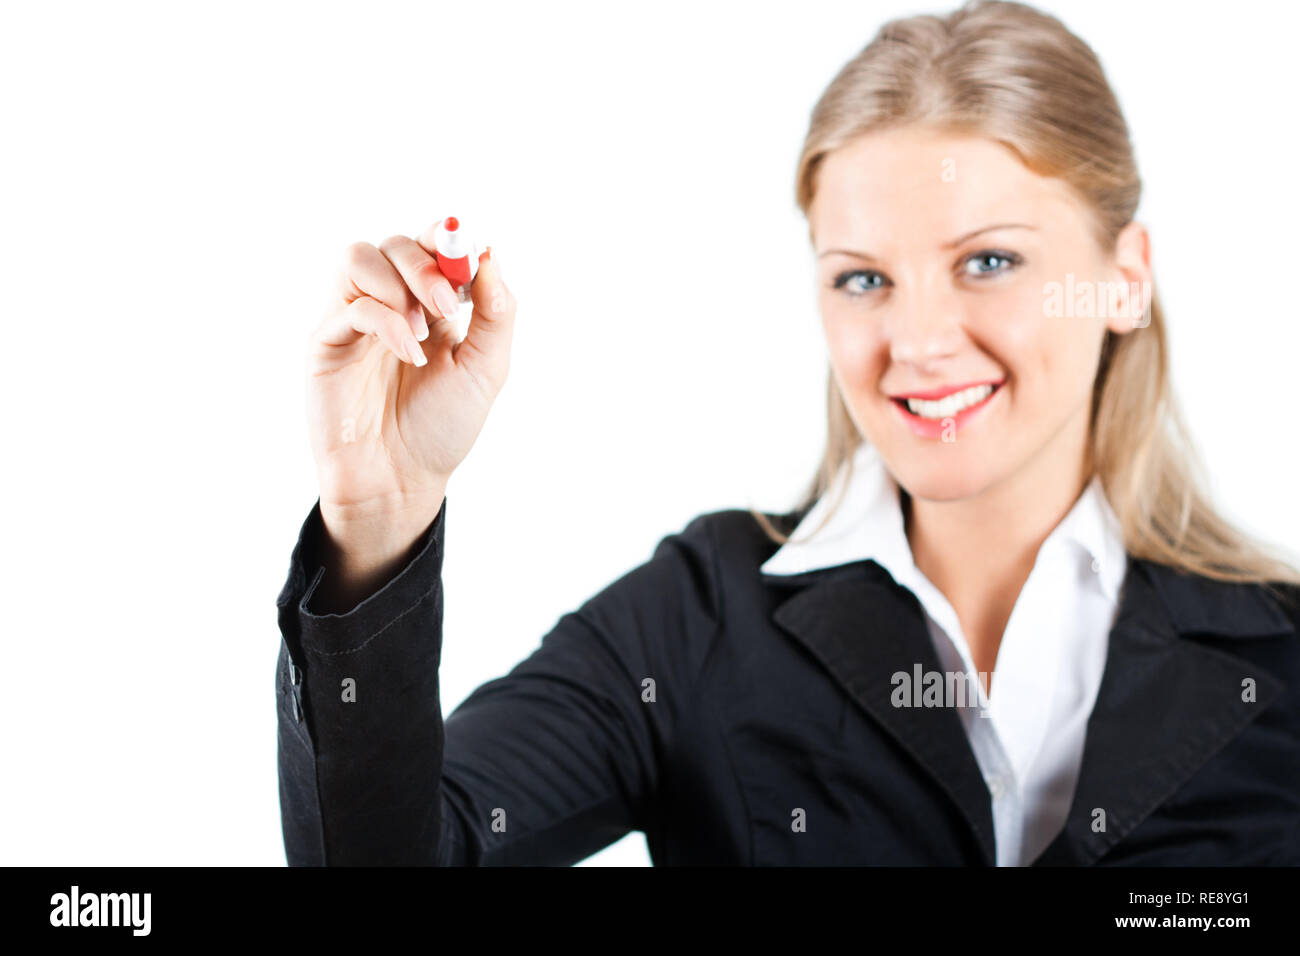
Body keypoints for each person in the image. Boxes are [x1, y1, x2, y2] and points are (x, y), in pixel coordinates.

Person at [275, 0, 1300, 866]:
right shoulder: (700, 616)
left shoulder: (1281, 655)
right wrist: (378, 518)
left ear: (1123, 278)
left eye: (989, 261)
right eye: (863, 277)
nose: (918, 340)